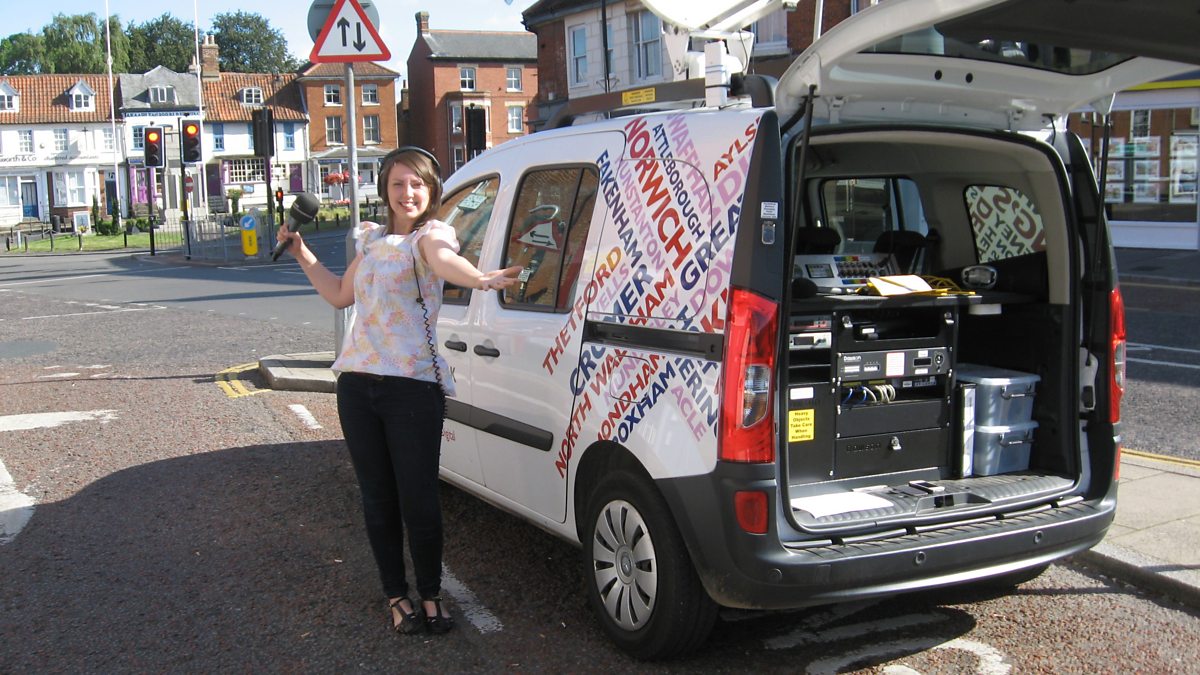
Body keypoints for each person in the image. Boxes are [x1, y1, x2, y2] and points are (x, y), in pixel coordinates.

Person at [277, 147, 519, 636]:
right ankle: (396, 596)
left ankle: (430, 594)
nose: (407, 193)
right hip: (357, 387)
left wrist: (482, 279)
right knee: (378, 499)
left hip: (412, 389)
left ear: (430, 191)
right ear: (385, 190)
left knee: (419, 499)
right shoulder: (369, 241)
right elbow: (339, 295)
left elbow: (447, 263)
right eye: (397, 184)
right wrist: (302, 253)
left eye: (417, 185)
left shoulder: (431, 237)